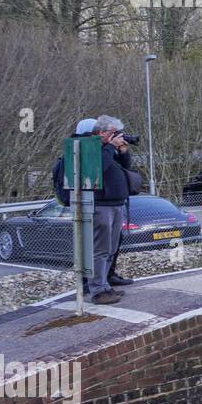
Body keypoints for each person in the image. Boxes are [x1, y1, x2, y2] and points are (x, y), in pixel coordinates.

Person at [86, 116, 134, 304]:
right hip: (101, 205)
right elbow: (97, 169)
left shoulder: (109, 150)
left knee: (111, 249)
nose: (118, 136)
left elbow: (126, 168)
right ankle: (97, 290)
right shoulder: (92, 147)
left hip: (115, 204)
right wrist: (111, 147)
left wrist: (123, 152)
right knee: (101, 248)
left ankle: (104, 285)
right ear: (102, 133)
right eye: (114, 133)